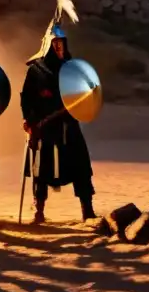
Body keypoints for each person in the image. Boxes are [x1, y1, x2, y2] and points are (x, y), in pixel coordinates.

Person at [20, 21, 96, 224]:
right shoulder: (36, 70)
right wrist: (28, 119)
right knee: (41, 169)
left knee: (80, 166)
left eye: (61, 42)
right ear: (47, 44)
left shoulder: (71, 67)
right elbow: (26, 97)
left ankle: (87, 209)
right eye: (54, 42)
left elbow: (84, 91)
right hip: (45, 127)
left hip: (68, 124)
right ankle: (39, 210)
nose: (58, 46)